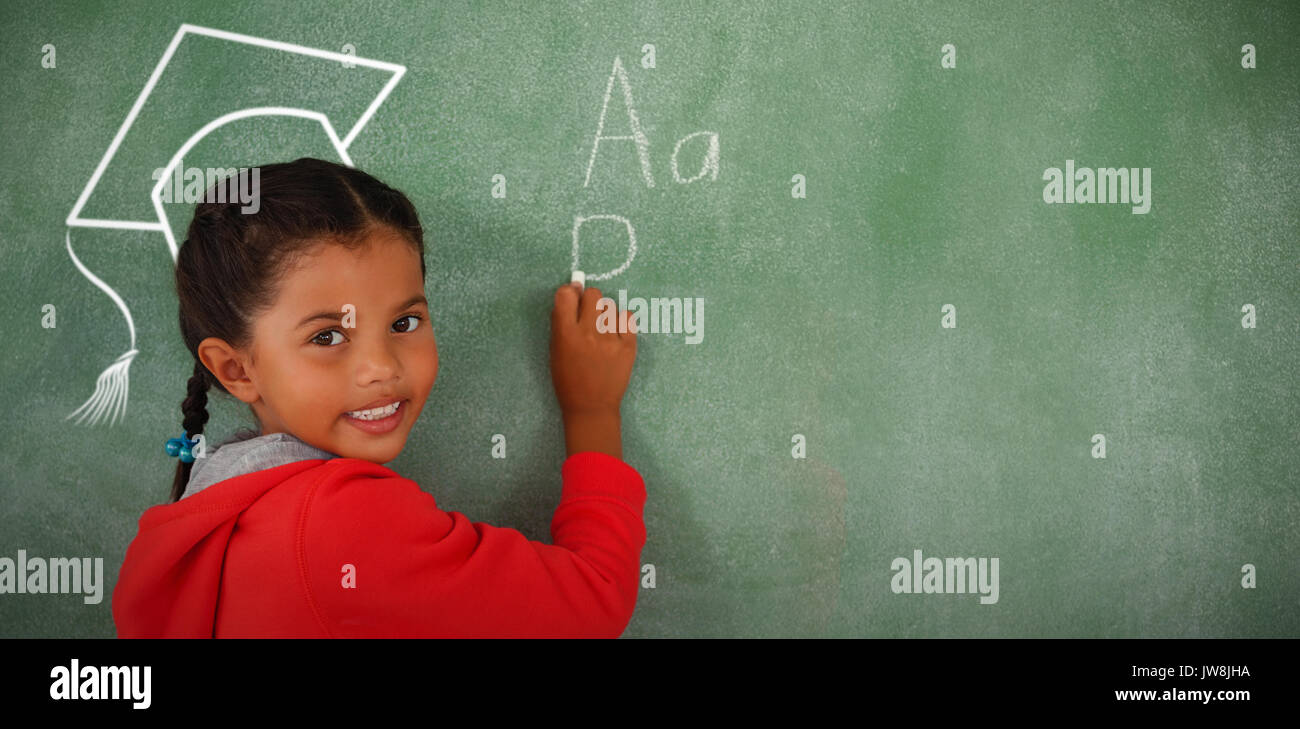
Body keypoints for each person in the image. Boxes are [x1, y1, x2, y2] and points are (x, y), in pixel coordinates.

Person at [112, 157, 644, 638]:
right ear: (236, 369)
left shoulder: (206, 518)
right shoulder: (339, 523)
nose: (381, 368)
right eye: (327, 337)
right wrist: (592, 410)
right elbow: (592, 602)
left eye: (404, 322)